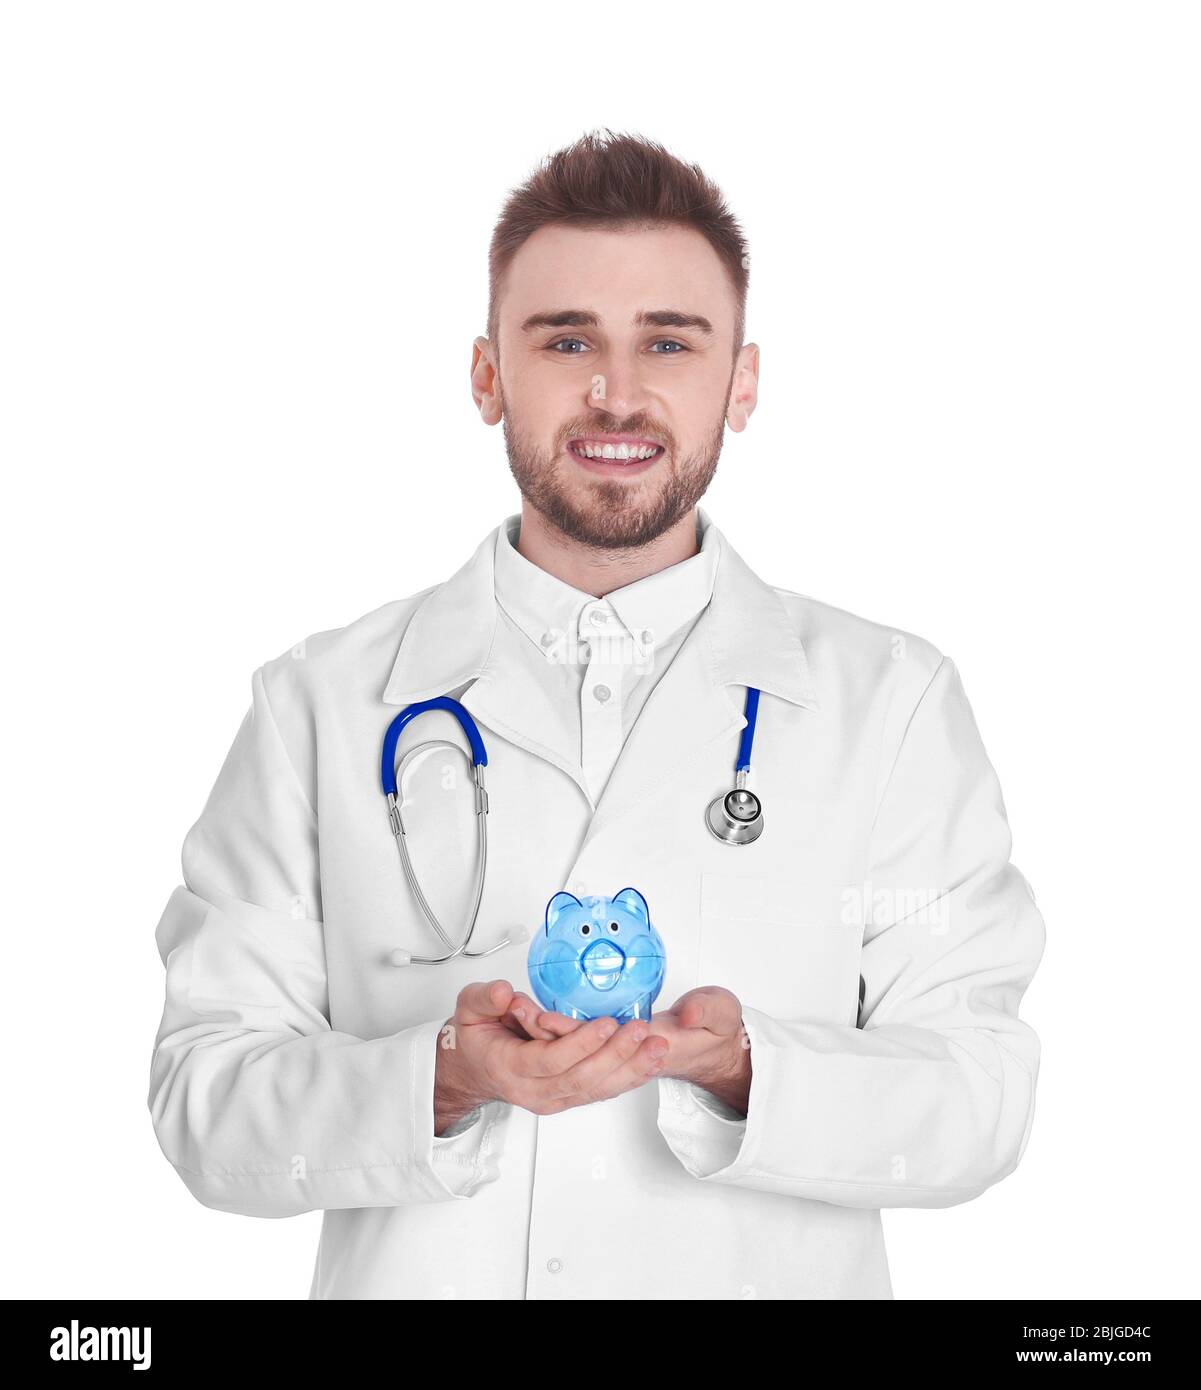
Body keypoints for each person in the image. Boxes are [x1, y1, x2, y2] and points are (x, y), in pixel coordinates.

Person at [148, 130, 1045, 1300]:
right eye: (565, 339)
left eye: (668, 343)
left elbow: (981, 1094)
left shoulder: (891, 703)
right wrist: (441, 1077)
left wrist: (746, 1072)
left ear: (743, 380)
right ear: (486, 377)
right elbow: (203, 1103)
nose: (616, 392)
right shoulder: (315, 704)